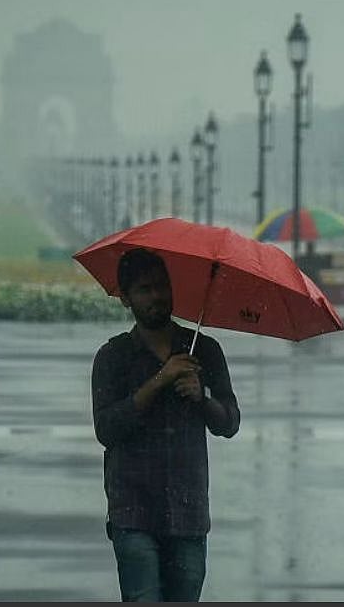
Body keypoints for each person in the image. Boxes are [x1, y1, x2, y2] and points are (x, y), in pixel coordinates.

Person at [92, 248, 241, 602]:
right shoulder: (113, 357)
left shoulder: (204, 350)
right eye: (144, 289)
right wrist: (160, 380)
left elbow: (230, 422)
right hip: (133, 510)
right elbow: (107, 429)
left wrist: (201, 398)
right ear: (126, 298)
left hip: (188, 512)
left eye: (162, 286)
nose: (156, 296)